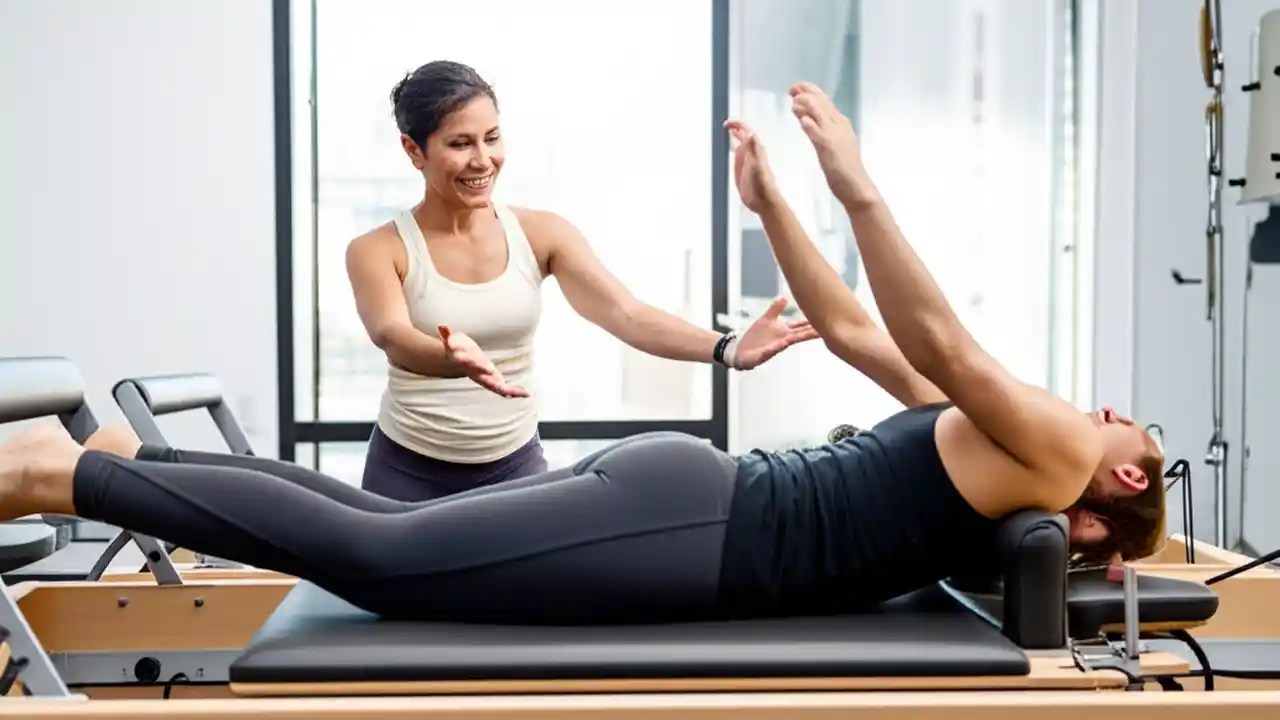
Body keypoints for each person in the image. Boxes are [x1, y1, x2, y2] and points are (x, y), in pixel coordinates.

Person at [0, 82, 1165, 625]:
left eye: (1131, 429)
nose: (1108, 409)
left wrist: (812, 200)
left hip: (686, 504)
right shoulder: (1035, 444)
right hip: (699, 529)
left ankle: (100, 457)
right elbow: (900, 337)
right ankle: (69, 476)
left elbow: (907, 340)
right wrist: (806, 203)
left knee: (385, 542)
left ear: (1114, 488)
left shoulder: (1037, 459)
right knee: (381, 562)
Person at [346, 59, 816, 501]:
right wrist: (450, 358)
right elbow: (394, 336)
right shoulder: (378, 249)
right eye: (460, 144)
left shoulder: (541, 233)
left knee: (527, 590)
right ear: (414, 150)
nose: (483, 160)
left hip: (512, 467)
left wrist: (728, 347)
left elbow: (625, 314)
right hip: (406, 469)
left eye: (492, 138)